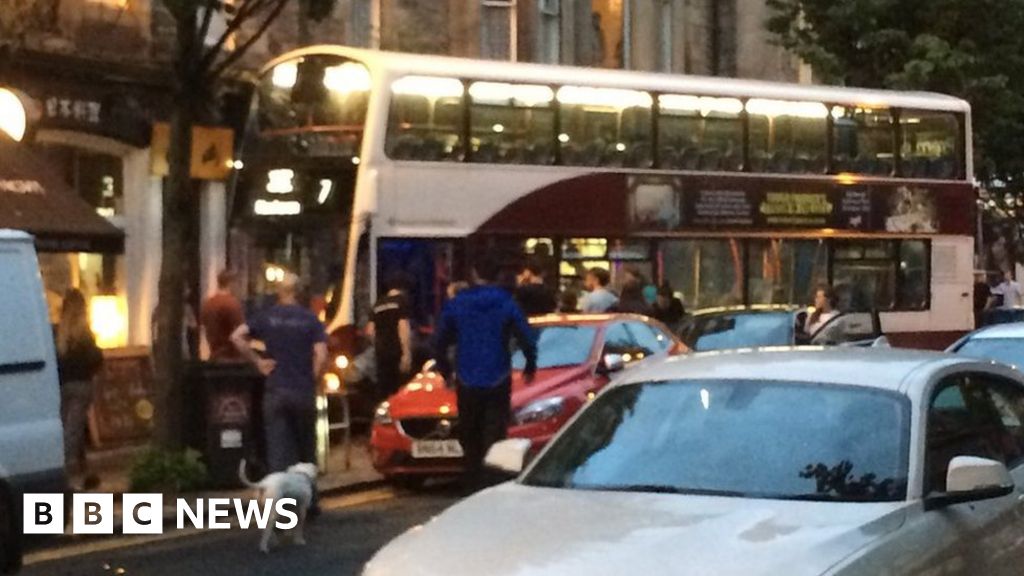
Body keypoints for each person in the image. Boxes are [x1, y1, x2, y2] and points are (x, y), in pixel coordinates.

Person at [434, 257, 537, 492]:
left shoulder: (458, 303)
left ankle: (472, 481)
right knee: (495, 432)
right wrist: (530, 365)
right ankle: (492, 482)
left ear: (473, 272)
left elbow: (439, 341)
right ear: (498, 275)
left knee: (470, 432)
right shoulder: (506, 302)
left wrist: (445, 371)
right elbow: (526, 336)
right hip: (498, 375)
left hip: (466, 376)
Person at [232, 274, 328, 476]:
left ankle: (280, 491)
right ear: (298, 292)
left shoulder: (266, 317)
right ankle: (305, 492)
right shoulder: (310, 319)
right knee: (306, 453)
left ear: (279, 292)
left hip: (276, 389)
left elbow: (236, 336)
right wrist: (313, 378)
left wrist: (258, 362)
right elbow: (321, 354)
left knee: (278, 453)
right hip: (302, 391)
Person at [56, 288, 103, 490]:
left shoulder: (58, 333)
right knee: (74, 428)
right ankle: (68, 468)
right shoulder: (85, 334)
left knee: (64, 425)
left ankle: (76, 465)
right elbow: (96, 359)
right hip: (82, 384)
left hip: (62, 384)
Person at [367, 274, 413, 402]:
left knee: (383, 386)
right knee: (398, 386)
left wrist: (378, 344)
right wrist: (406, 353)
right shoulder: (402, 302)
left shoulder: (377, 304)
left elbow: (370, 331)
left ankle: (383, 409)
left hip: (381, 351)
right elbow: (403, 327)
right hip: (396, 350)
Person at [200, 269, 245, 361]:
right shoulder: (232, 304)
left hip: (214, 355)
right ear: (231, 283)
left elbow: (204, 326)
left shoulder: (208, 304)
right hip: (230, 357)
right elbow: (241, 331)